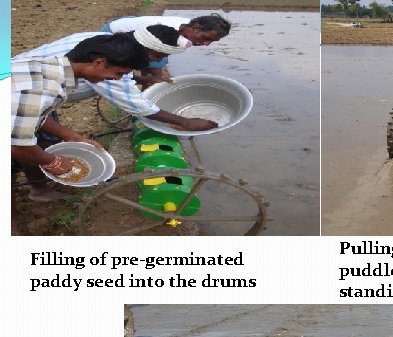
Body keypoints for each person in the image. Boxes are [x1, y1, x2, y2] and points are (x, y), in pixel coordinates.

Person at [11, 34, 148, 231]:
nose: (116, 79)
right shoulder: (45, 87)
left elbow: (31, 113)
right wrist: (54, 162)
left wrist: (72, 136)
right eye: (118, 73)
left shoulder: (50, 67)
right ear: (99, 62)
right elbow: (17, 145)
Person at [13, 26, 218, 132]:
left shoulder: (102, 40)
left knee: (37, 131)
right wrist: (185, 121)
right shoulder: (109, 66)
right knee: (26, 142)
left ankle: (37, 186)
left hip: (20, 78)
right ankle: (35, 190)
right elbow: (138, 106)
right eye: (155, 57)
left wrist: (142, 79)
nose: (154, 63)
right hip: (25, 92)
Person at [100, 14, 231, 84]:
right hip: (115, 32)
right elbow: (132, 62)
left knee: (156, 77)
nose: (206, 44)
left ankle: (146, 101)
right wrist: (142, 79)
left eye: (211, 42)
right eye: (205, 37)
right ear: (195, 27)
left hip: (140, 31)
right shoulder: (164, 31)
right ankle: (143, 110)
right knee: (118, 71)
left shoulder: (185, 29)